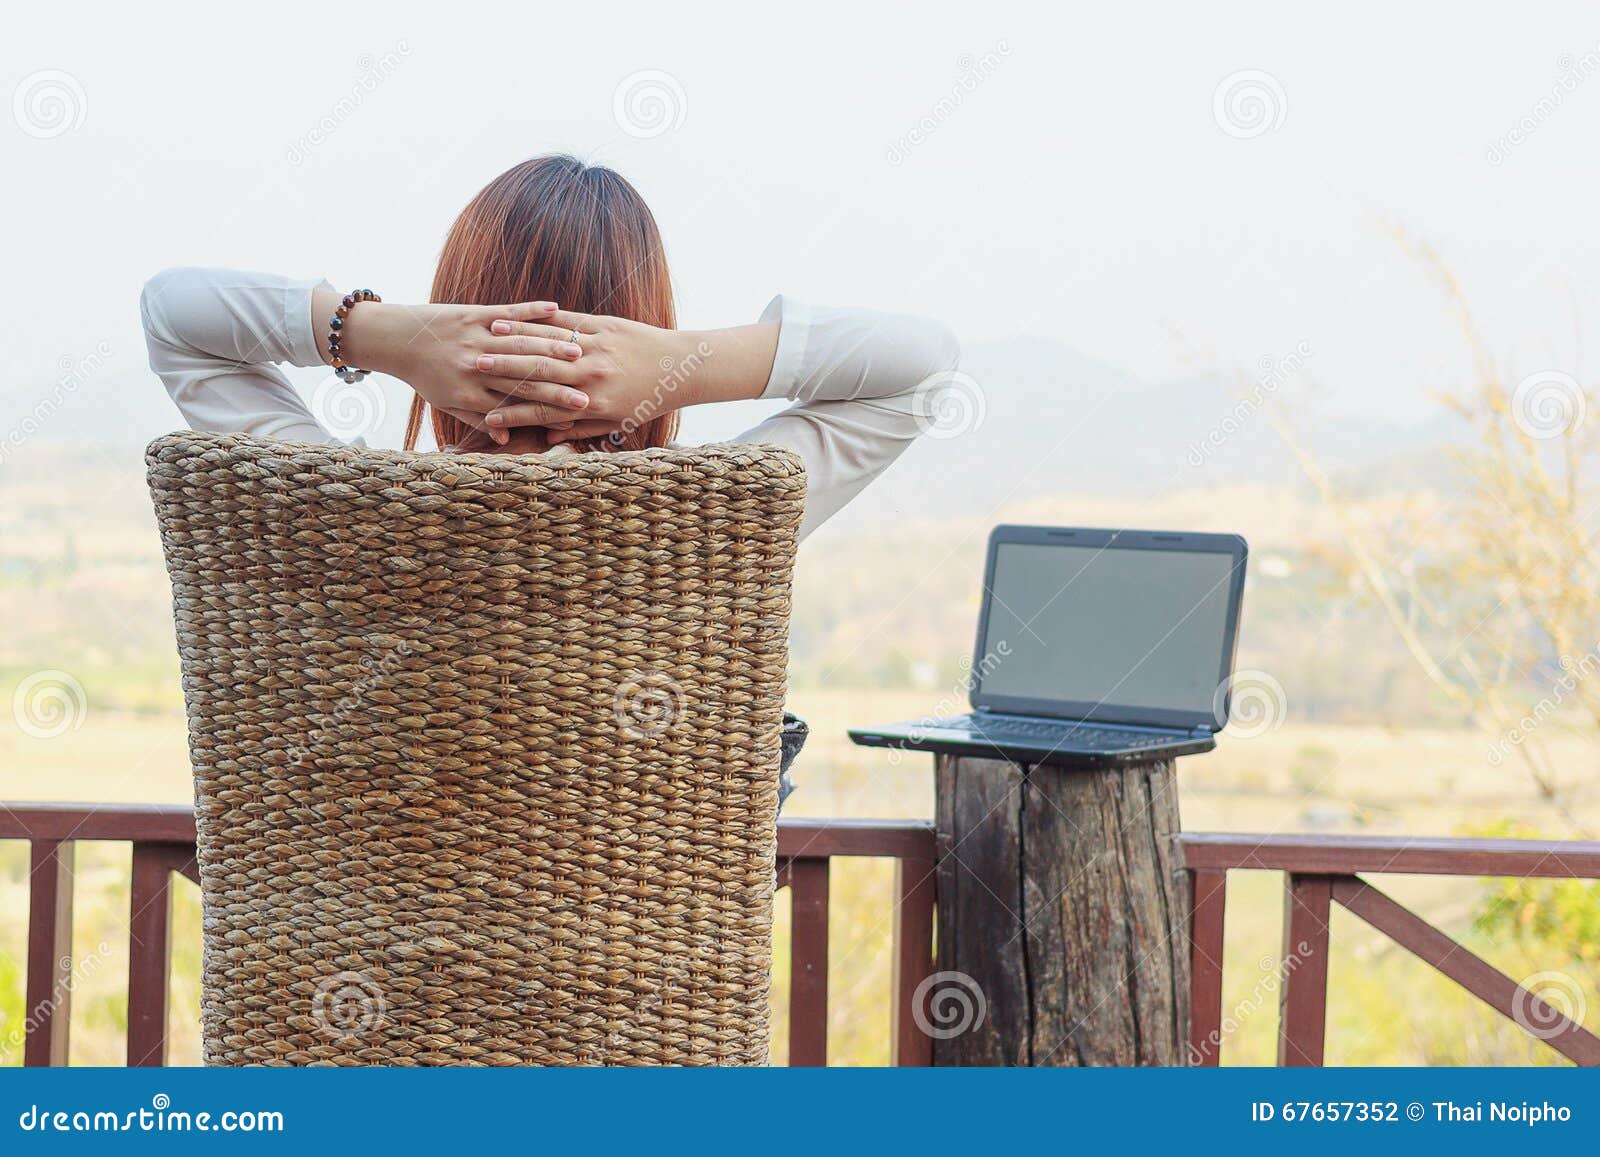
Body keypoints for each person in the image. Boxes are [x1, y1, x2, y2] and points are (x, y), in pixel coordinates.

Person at [140, 153, 961, 803]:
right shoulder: (711, 526)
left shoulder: (332, 506)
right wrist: (683, 363)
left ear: (453, 313)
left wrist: (384, 336)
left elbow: (174, 314)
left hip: (350, 1002)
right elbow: (922, 368)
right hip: (650, 1014)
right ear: (643, 320)